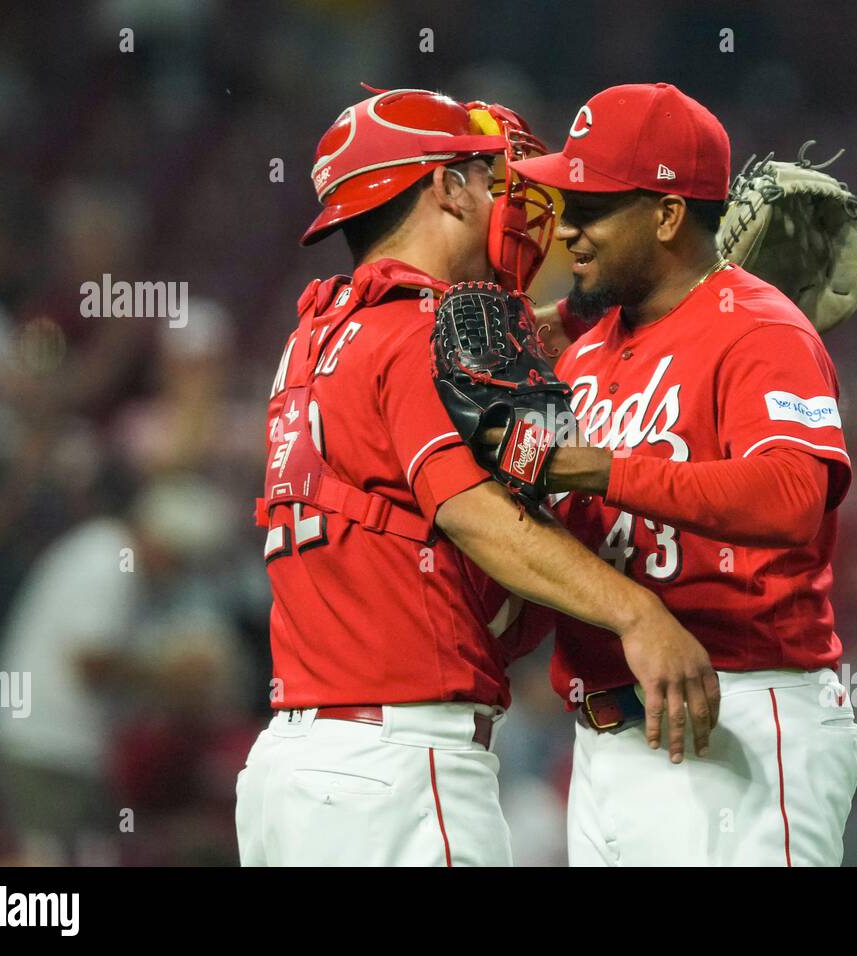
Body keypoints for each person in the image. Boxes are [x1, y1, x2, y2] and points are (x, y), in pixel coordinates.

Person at [234, 87, 718, 867]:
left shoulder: (316, 335)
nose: (512, 202)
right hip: (397, 771)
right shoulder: (415, 329)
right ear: (442, 188)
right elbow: (474, 515)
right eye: (490, 179)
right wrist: (638, 615)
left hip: (298, 772)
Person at [509, 82, 857, 866]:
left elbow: (792, 496)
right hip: (605, 736)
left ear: (668, 214)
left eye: (593, 208)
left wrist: (601, 469)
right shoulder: (590, 345)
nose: (569, 229)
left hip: (737, 710)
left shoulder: (762, 330)